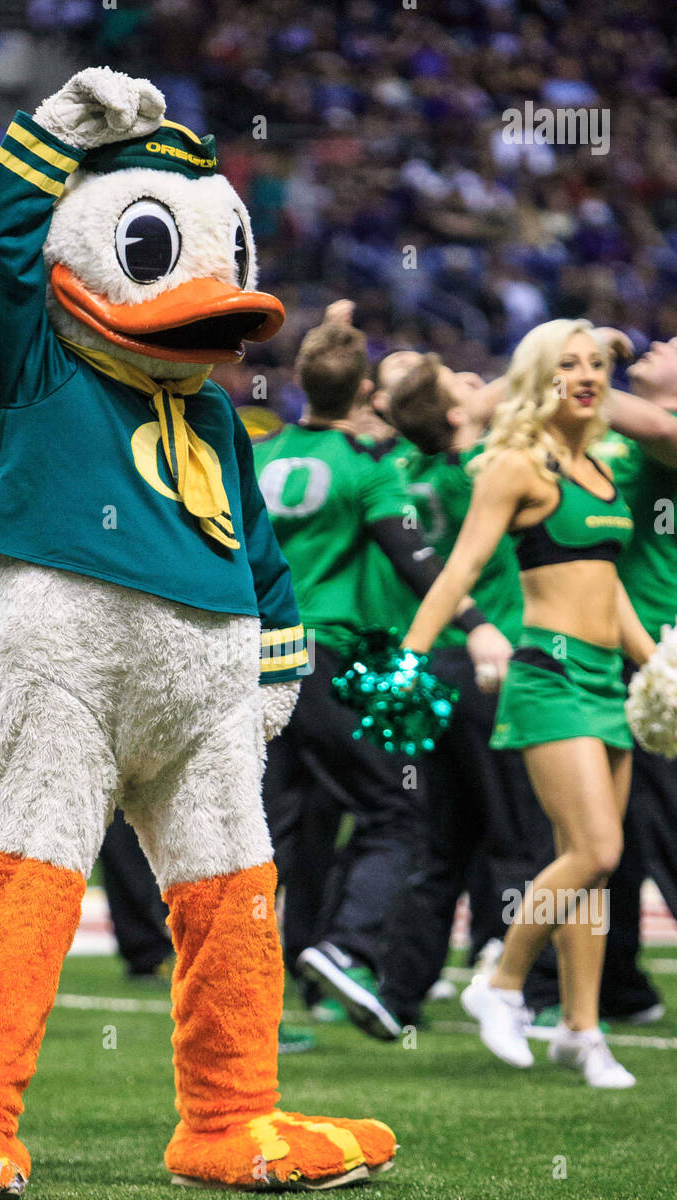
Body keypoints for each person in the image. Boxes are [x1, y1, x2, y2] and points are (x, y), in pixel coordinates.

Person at [398, 318, 657, 1088]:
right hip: (549, 675)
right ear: (539, 378)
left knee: (594, 872)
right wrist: (411, 657)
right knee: (594, 850)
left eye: (597, 364)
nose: (586, 375)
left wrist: (664, 668)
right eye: (567, 365)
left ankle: (582, 1030)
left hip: (610, 678)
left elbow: (610, 589)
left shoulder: (604, 464)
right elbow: (459, 570)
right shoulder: (516, 465)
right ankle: (500, 982)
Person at [255, 320, 511, 1036]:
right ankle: (349, 945)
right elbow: (414, 558)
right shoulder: (366, 469)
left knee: (269, 839)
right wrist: (475, 619)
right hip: (331, 657)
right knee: (396, 811)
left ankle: (255, 1008)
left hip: (256, 662)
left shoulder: (259, 455)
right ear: (365, 392)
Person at [315, 352, 555, 1036]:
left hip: (426, 674)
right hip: (493, 660)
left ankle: (400, 991)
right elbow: (533, 390)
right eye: (460, 384)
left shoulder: (398, 473)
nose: (475, 382)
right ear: (456, 416)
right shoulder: (486, 467)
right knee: (518, 834)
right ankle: (528, 990)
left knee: (440, 841)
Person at [525, 326, 677, 1036]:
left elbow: (634, 417)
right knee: (604, 830)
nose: (657, 348)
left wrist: (580, 363)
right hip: (607, 646)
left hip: (663, 655)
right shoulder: (612, 441)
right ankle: (614, 985)